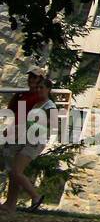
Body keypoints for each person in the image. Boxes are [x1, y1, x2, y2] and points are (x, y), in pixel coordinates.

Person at [2, 73, 57, 213]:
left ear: (48, 89)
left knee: (16, 171)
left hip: (36, 141)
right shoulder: (37, 104)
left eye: (42, 87)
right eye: (38, 87)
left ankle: (36, 196)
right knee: (14, 172)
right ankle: (10, 204)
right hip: (26, 138)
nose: (38, 90)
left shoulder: (49, 105)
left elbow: (54, 123)